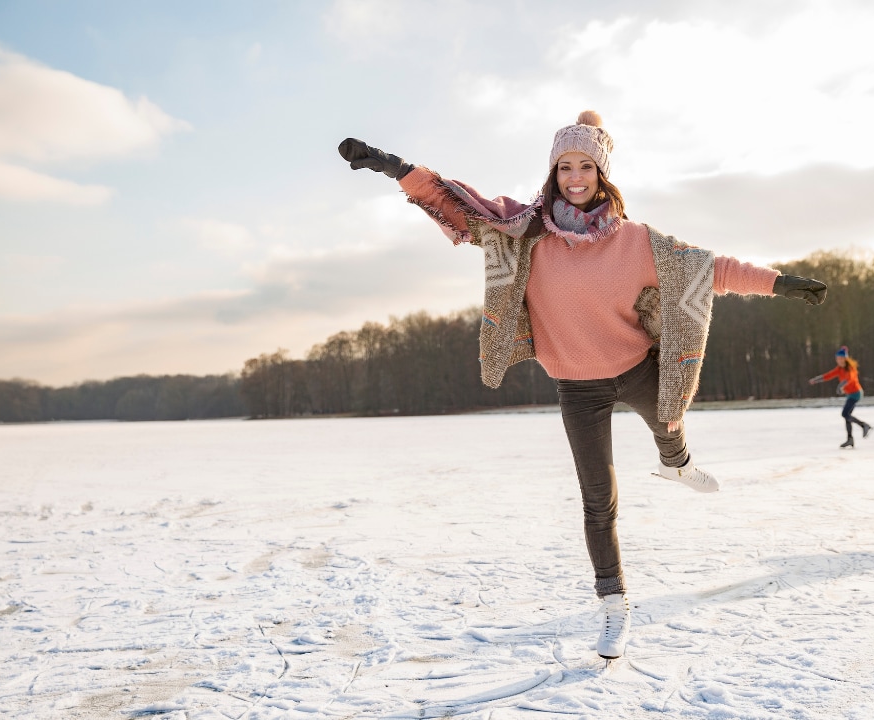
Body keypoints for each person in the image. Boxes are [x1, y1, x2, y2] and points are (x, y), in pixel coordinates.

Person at [338, 111, 827, 659]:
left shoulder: (639, 242)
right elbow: (455, 204)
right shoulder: (523, 233)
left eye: (585, 165)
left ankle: (677, 463)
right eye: (564, 165)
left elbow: (708, 268)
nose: (575, 175)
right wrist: (394, 168)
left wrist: (781, 283)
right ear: (553, 172)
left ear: (602, 172)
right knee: (599, 502)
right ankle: (613, 608)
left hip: (636, 367)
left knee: (670, 417)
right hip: (578, 386)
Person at [809, 346, 871, 448]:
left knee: (845, 414)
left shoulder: (850, 368)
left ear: (845, 359)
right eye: (837, 359)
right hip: (850, 394)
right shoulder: (839, 369)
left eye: (841, 359)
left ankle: (864, 425)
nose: (839, 361)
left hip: (856, 394)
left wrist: (841, 386)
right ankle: (850, 439)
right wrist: (816, 379)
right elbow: (829, 375)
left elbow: (849, 379)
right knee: (847, 416)